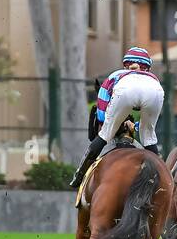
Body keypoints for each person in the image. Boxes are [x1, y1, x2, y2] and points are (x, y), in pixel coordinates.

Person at [69, 46, 163, 188]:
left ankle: (80, 174)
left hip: (125, 90)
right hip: (155, 91)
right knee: (149, 137)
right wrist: (135, 127)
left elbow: (101, 108)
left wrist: (104, 124)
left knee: (105, 134)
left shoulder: (117, 75)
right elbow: (146, 114)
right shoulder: (153, 78)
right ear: (148, 68)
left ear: (125, 65)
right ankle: (164, 178)